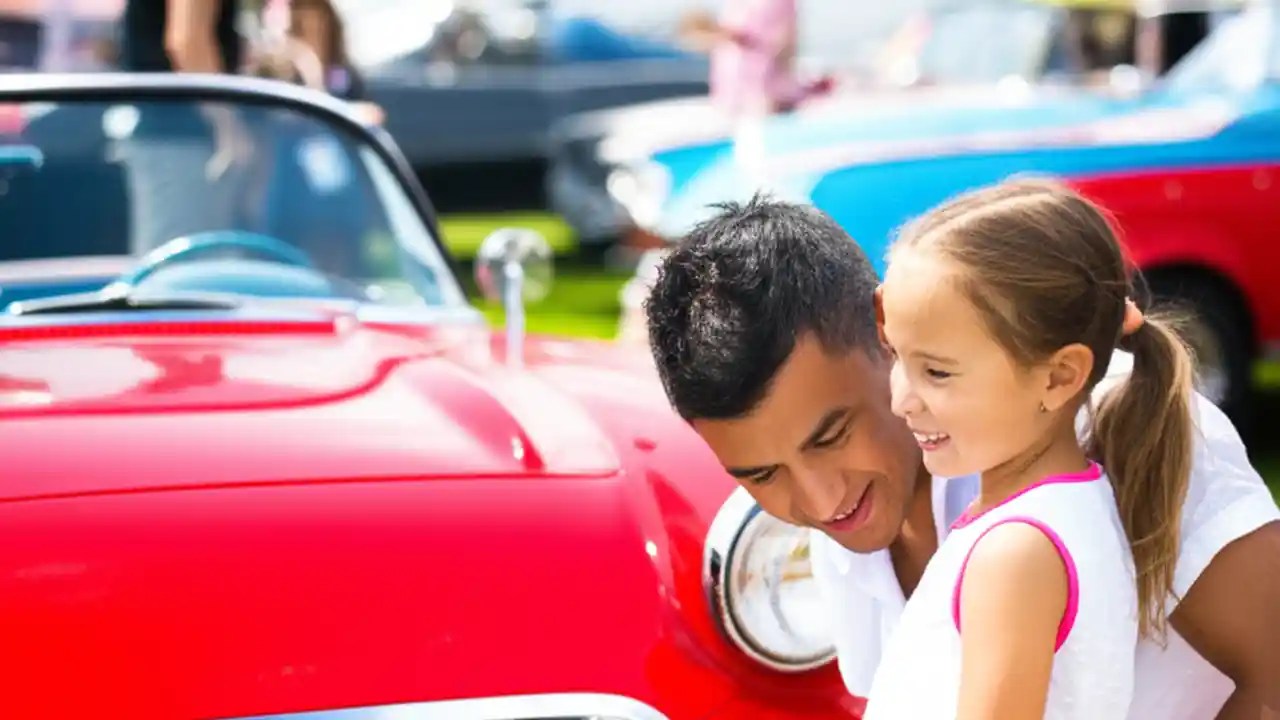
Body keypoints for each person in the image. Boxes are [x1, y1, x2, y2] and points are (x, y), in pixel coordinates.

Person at [644, 194, 1280, 719]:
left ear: (886, 332)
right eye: (762, 474)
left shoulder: (1119, 420)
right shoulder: (852, 523)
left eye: (831, 435)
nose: (818, 500)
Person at [865, 179, 1192, 718]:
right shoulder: (1050, 517)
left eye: (937, 372)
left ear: (1059, 377)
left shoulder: (1016, 553)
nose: (901, 399)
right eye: (895, 354)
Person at [117, 0, 254, 254]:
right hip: (185, 141)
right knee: (180, 272)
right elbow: (187, 41)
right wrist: (228, 127)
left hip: (175, 135)